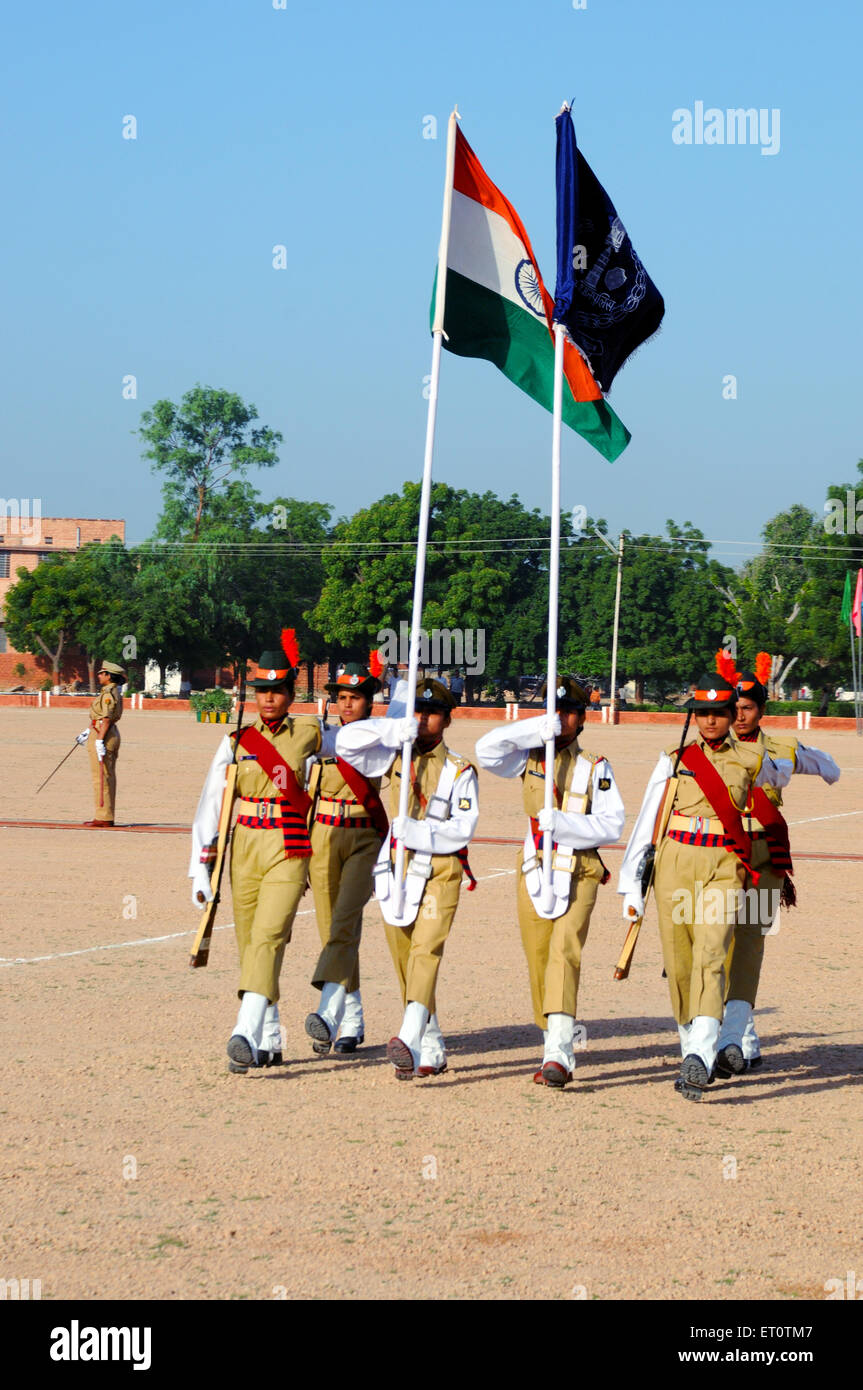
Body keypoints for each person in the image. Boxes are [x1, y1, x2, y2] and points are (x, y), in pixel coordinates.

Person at [618, 672, 790, 1101]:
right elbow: (648, 821)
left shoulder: (753, 760)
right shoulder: (674, 758)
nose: (710, 721)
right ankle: (691, 1049)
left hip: (724, 864)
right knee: (680, 963)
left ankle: (701, 1051)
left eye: (718, 713)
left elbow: (781, 780)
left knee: (712, 953)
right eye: (702, 713)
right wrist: (631, 885)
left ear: (733, 715)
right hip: (675, 860)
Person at [475, 676, 625, 1088]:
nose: (561, 721)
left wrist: (566, 824)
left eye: (569, 714)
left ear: (582, 720)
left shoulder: (596, 766)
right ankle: (552, 1043)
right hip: (535, 866)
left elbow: (613, 823)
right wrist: (532, 729)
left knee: (564, 952)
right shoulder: (529, 757)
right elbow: (486, 750)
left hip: (580, 868)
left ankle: (560, 1053)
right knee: (539, 957)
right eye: (554, 712)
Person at [189, 634, 321, 1073]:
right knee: (249, 945)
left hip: (289, 844)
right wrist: (200, 867)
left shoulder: (311, 733)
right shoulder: (235, 741)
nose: (268, 699)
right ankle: (269, 1037)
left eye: (277, 691)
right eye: (262, 691)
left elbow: (360, 751)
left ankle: (243, 1029)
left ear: (290, 693)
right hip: (243, 844)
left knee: (268, 935)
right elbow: (212, 803)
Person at [335, 677, 479, 1079]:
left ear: (448, 721)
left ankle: (409, 1035)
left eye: (432, 713)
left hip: (441, 867)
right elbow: (346, 745)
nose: (423, 719)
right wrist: (390, 728)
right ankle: (429, 1043)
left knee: (426, 950)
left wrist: (419, 833)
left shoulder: (460, 769)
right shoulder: (392, 755)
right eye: (417, 711)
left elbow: (464, 826)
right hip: (396, 866)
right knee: (404, 959)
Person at [715, 652, 840, 1076]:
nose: (739, 716)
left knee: (749, 944)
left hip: (766, 861)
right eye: (733, 709)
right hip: (720, 857)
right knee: (718, 943)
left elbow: (831, 769)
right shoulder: (712, 751)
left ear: (761, 710)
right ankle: (742, 1039)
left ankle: (740, 1040)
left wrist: (789, 761)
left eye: (748, 708)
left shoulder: (780, 747)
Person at [303, 659, 387, 1056]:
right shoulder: (322, 736)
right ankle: (351, 1015)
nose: (347, 704)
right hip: (322, 834)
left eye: (355, 698)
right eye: (342, 698)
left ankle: (334, 1013)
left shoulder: (377, 736)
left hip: (362, 834)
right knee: (329, 929)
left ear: (370, 703)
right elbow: (306, 793)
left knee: (345, 923)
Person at [83, 660, 126, 827]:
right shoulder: (111, 691)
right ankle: (104, 814)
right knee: (105, 776)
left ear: (109, 676)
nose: (99, 675)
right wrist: (88, 731)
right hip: (102, 731)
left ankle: (104, 817)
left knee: (101, 776)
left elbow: (106, 719)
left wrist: (99, 740)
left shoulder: (108, 694)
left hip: (104, 734)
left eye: (102, 673)